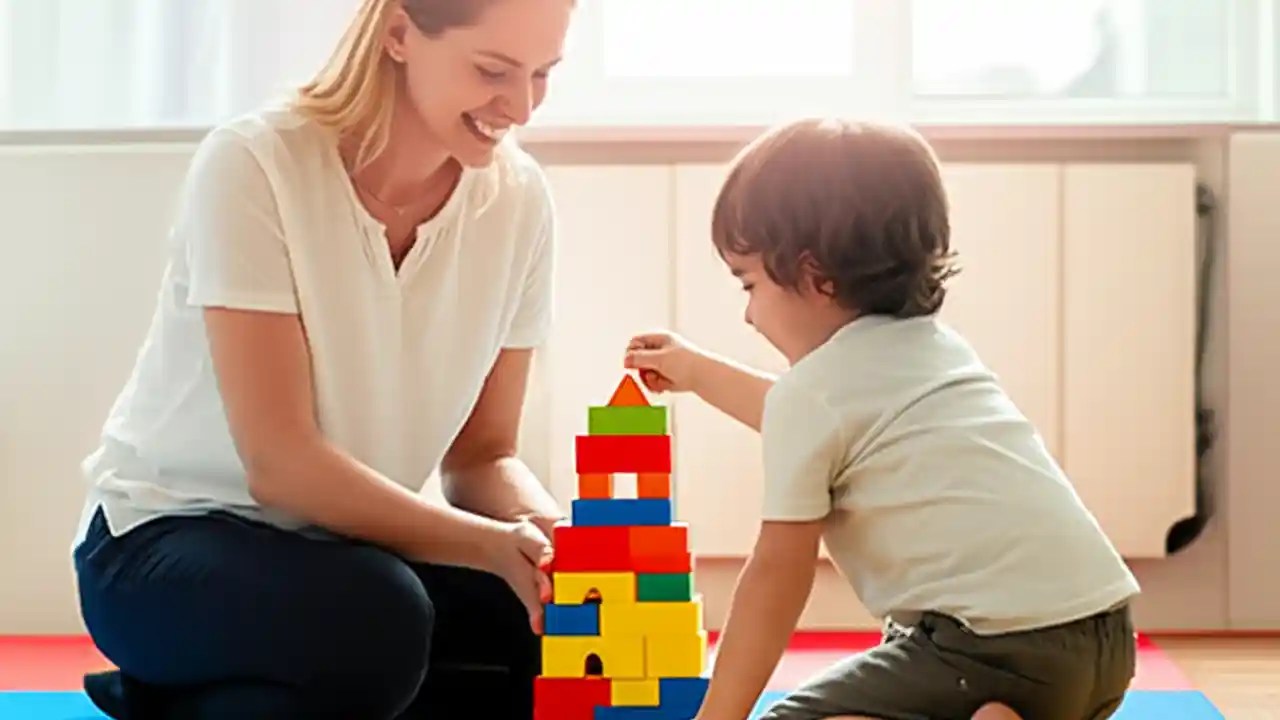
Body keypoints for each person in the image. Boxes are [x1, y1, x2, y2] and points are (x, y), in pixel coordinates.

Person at [70, 0, 576, 717]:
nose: (522, 107)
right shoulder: (254, 164)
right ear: (399, 34)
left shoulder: (521, 201)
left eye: (543, 75)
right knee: (382, 621)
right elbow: (280, 465)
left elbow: (482, 457)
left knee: (535, 631)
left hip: (345, 554)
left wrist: (554, 542)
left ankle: (182, 698)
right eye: (493, 70)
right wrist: (488, 546)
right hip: (164, 542)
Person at [623, 118, 1141, 720]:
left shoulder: (814, 399)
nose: (748, 316)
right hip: (1103, 647)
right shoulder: (934, 349)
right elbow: (817, 425)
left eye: (750, 285)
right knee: (907, 653)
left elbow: (776, 578)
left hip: (988, 652)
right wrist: (695, 370)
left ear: (816, 276)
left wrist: (718, 717)